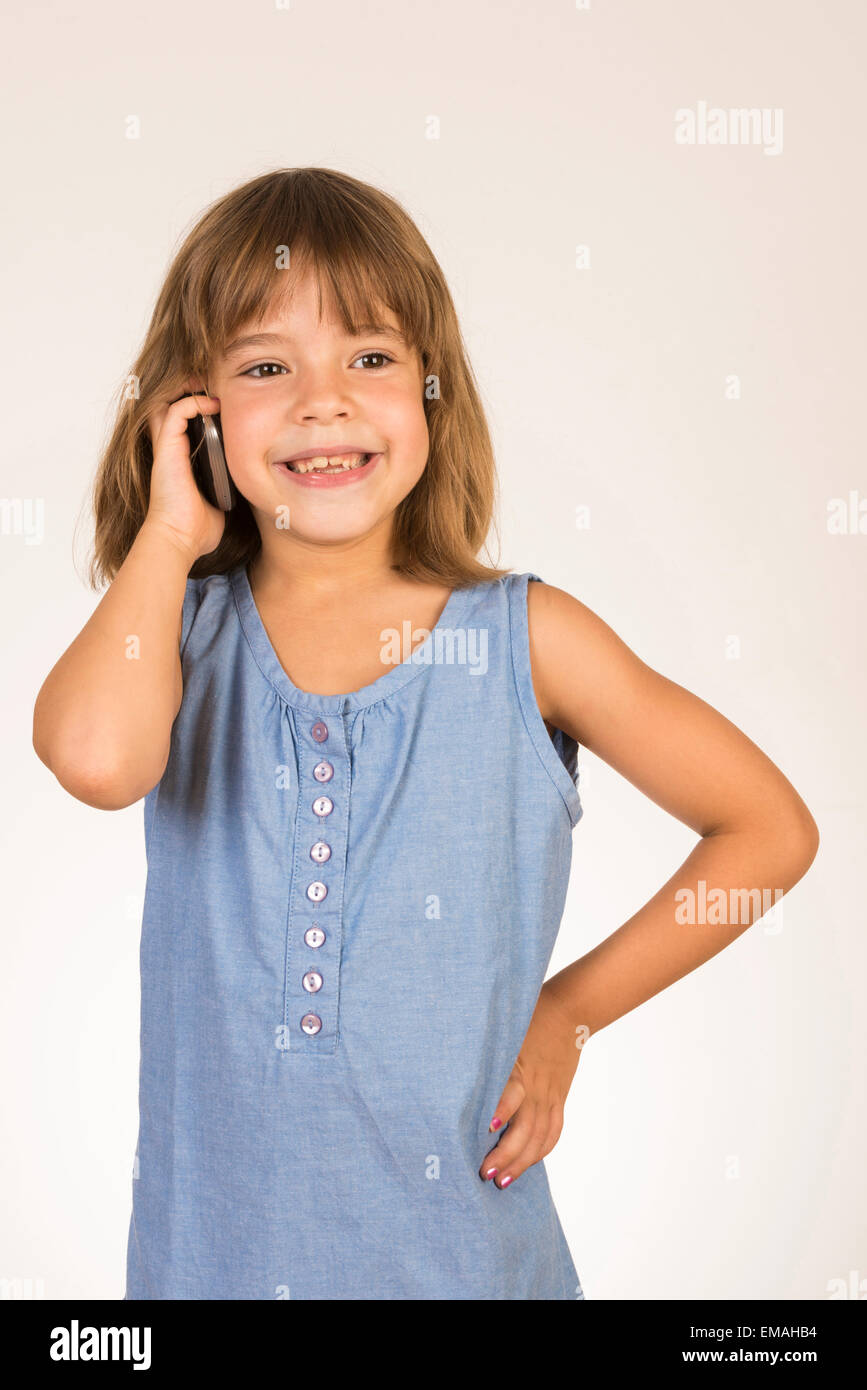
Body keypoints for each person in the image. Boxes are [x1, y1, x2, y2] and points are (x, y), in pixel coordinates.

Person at [32, 167, 819, 1300]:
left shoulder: (526, 639)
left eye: (371, 357)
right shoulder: (178, 636)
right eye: (265, 368)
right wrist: (166, 534)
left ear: (429, 392)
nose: (324, 401)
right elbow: (97, 761)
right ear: (193, 415)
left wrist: (570, 1010)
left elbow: (770, 832)